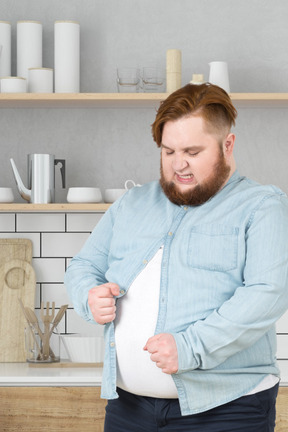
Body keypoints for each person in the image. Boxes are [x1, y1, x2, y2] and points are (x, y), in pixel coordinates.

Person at [65, 83, 288, 432]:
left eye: (192, 151)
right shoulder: (133, 203)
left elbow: (268, 293)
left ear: (227, 145)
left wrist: (190, 347)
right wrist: (87, 296)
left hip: (228, 410)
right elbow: (84, 266)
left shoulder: (261, 205)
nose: (178, 164)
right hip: (128, 410)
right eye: (168, 151)